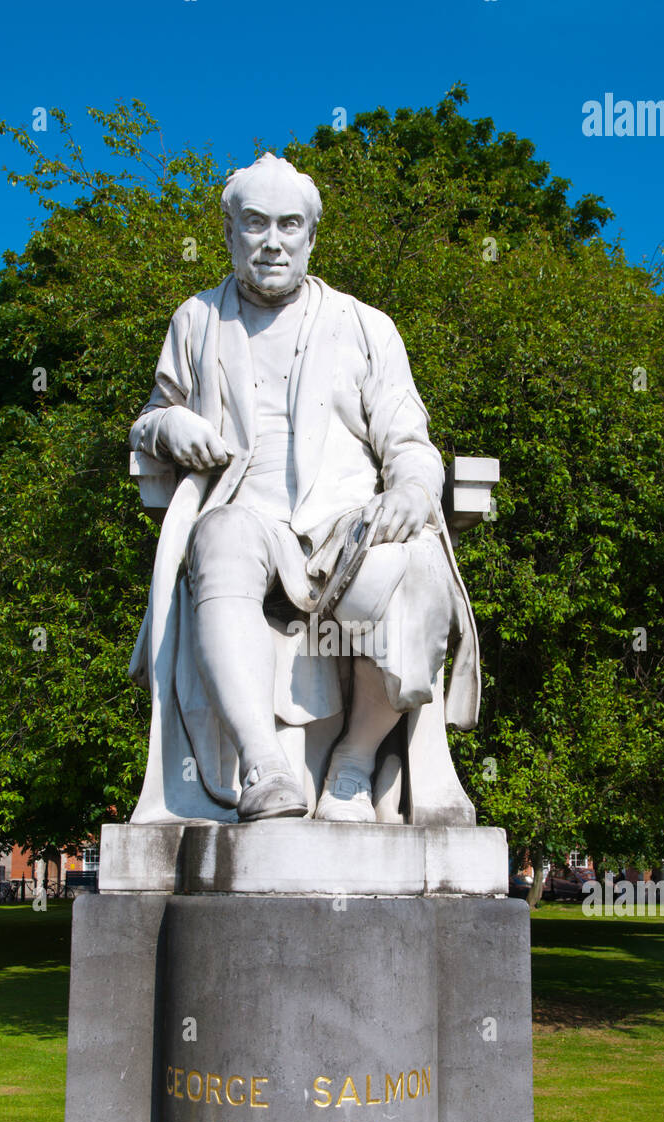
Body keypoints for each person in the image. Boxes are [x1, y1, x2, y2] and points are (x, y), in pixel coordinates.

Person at [128, 154, 479, 824]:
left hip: (347, 517)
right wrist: (170, 425)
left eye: (289, 225)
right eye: (253, 223)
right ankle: (264, 771)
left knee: (409, 563)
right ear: (228, 233)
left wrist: (409, 486)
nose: (271, 240)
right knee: (220, 537)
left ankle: (353, 758)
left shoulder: (364, 325)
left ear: (311, 238)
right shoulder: (196, 320)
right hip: (247, 511)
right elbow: (149, 417)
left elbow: (408, 439)